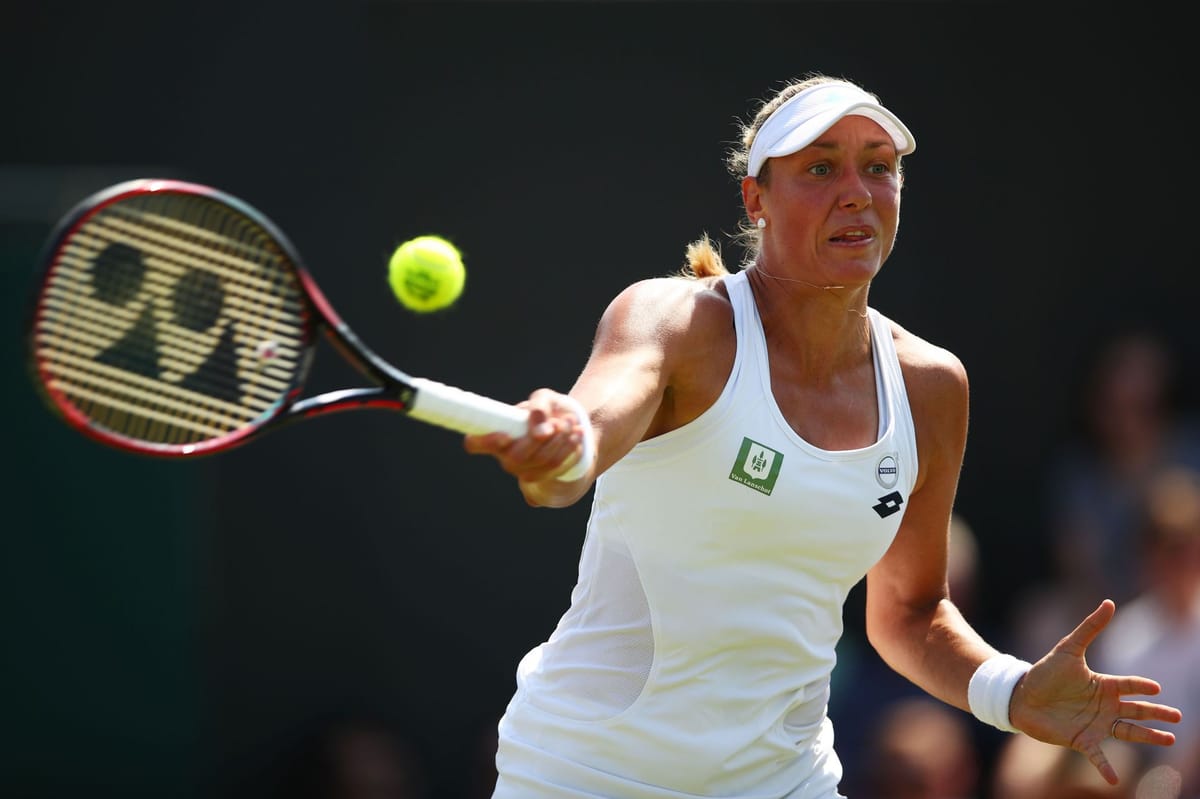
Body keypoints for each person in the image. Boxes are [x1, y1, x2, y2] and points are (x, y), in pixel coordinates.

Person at [462, 74, 1182, 798]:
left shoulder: (931, 386)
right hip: (583, 774)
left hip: (783, 780)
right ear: (756, 199)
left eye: (878, 166)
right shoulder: (675, 321)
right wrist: (562, 445)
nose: (856, 191)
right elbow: (588, 436)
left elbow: (908, 610)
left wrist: (1011, 691)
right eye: (819, 167)